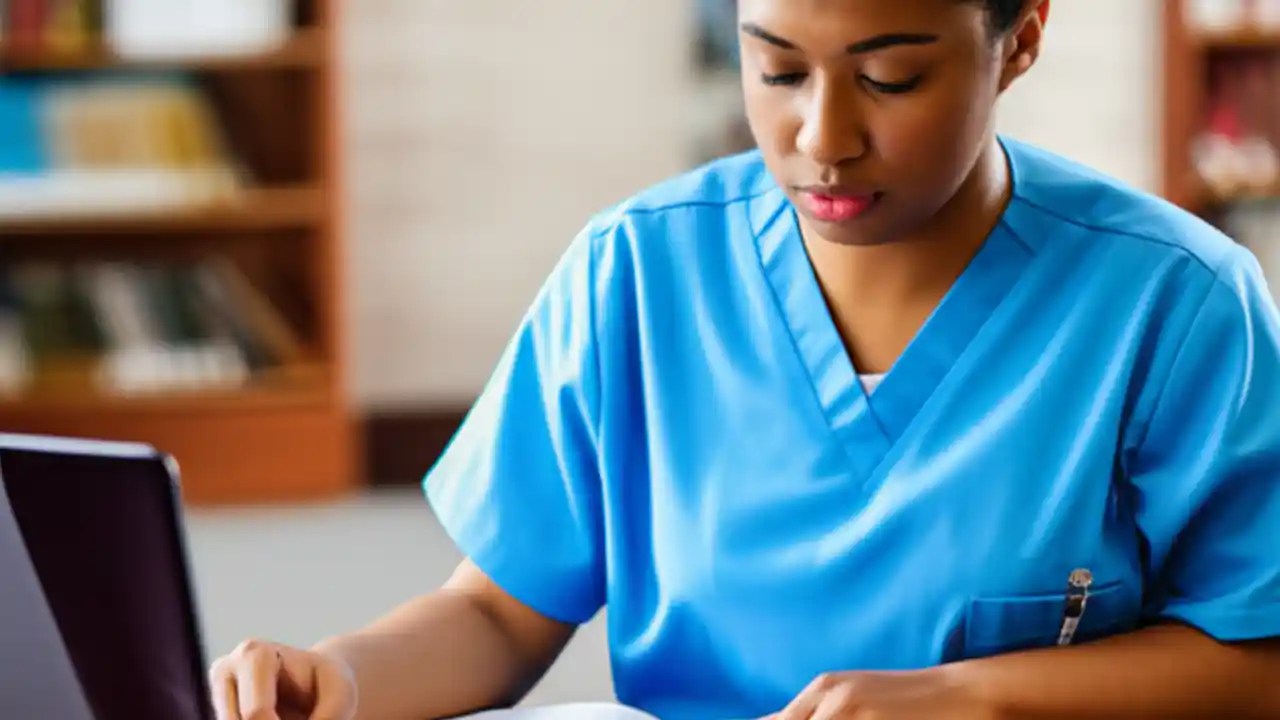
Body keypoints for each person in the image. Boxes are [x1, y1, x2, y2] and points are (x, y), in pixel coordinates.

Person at [210, 1, 1280, 718]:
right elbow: (498, 611)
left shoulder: (1173, 303)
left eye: (892, 78)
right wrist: (338, 677)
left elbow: (1256, 659)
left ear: (1021, 36)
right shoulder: (635, 270)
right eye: (773, 68)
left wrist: (973, 696)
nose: (820, 136)